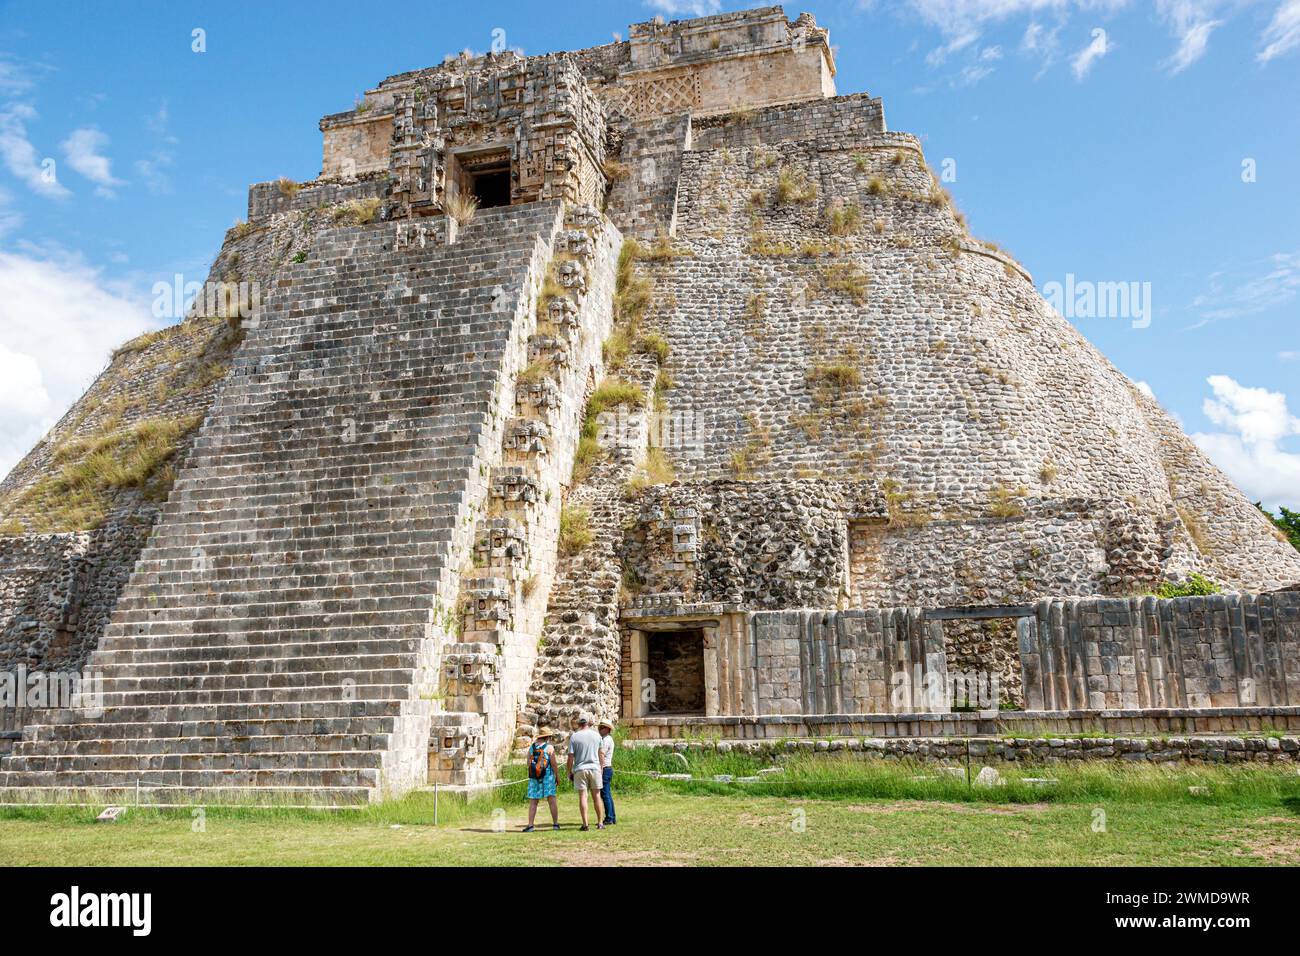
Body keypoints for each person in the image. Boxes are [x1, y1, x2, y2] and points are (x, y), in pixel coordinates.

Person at [566, 715, 605, 831]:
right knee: (597, 796)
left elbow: (570, 757)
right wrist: (601, 768)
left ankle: (585, 824)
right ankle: (600, 822)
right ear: (588, 723)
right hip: (594, 768)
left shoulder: (574, 737)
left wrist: (569, 771)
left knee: (583, 796)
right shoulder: (597, 736)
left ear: (579, 724)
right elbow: (601, 754)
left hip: (580, 768)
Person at [523, 727, 560, 832]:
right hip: (548, 777)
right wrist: (557, 775)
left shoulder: (532, 748)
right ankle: (555, 824)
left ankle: (530, 825)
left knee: (533, 802)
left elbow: (528, 763)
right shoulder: (549, 748)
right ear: (547, 737)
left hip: (534, 778)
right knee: (551, 800)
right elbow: (553, 764)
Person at [598, 719, 616, 826]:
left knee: (605, 794)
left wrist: (600, 768)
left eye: (602, 727)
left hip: (605, 768)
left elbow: (602, 754)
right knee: (607, 794)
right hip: (607, 768)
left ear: (607, 729)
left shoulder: (606, 740)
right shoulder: (606, 739)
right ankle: (611, 816)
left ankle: (609, 817)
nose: (599, 729)